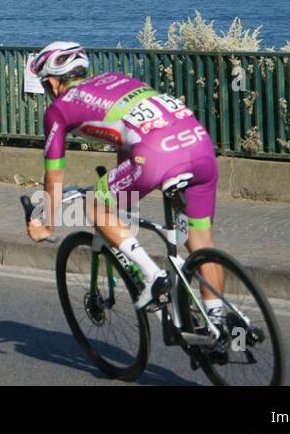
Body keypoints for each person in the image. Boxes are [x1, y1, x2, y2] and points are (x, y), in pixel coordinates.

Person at [24, 41, 224, 321]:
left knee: (93, 205)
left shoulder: (58, 109)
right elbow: (125, 137)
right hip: (200, 146)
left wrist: (47, 224)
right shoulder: (116, 79)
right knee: (200, 242)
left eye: (46, 84)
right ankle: (219, 323)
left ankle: (152, 275)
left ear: (54, 82)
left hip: (157, 156)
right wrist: (121, 200)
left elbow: (54, 173)